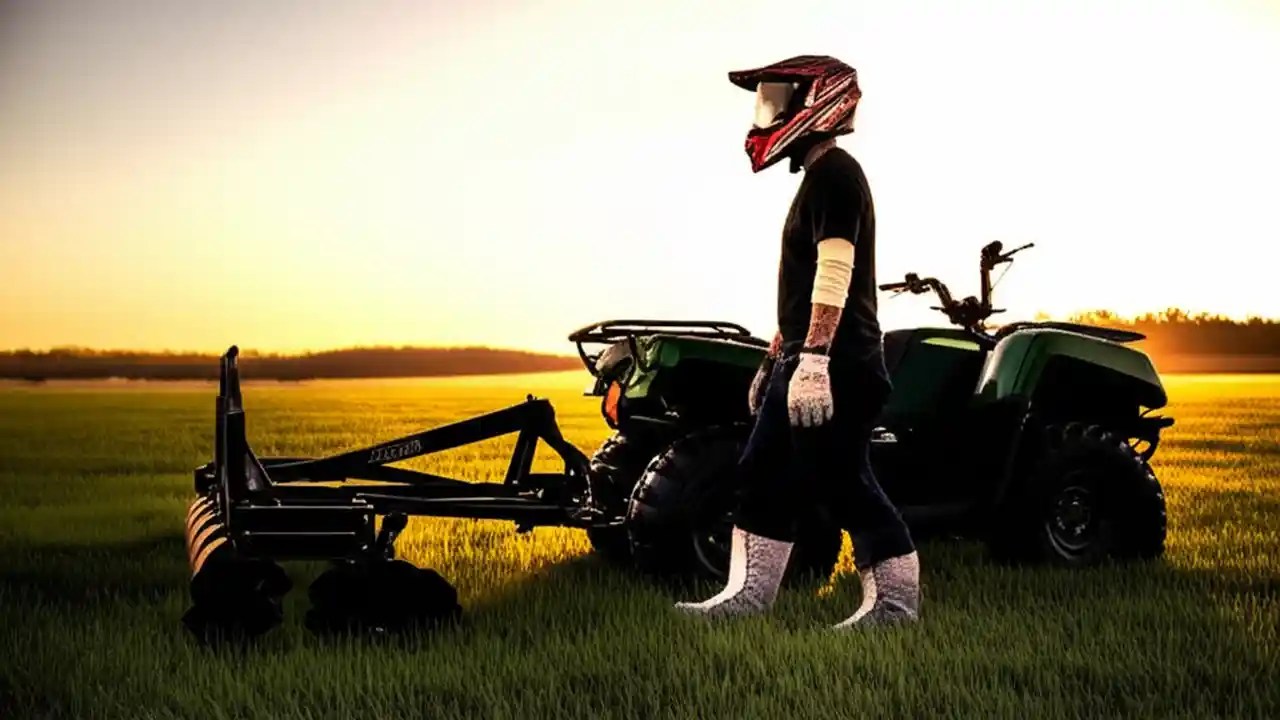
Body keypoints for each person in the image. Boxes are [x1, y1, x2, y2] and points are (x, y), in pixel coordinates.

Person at [674, 55, 920, 627]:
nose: (767, 112)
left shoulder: (836, 173)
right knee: (764, 472)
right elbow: (806, 285)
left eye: (778, 99)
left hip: (839, 362)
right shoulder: (819, 177)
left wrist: (813, 360)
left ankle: (895, 606)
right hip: (808, 357)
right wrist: (776, 357)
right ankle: (746, 598)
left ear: (820, 102)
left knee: (843, 476)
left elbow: (835, 271)